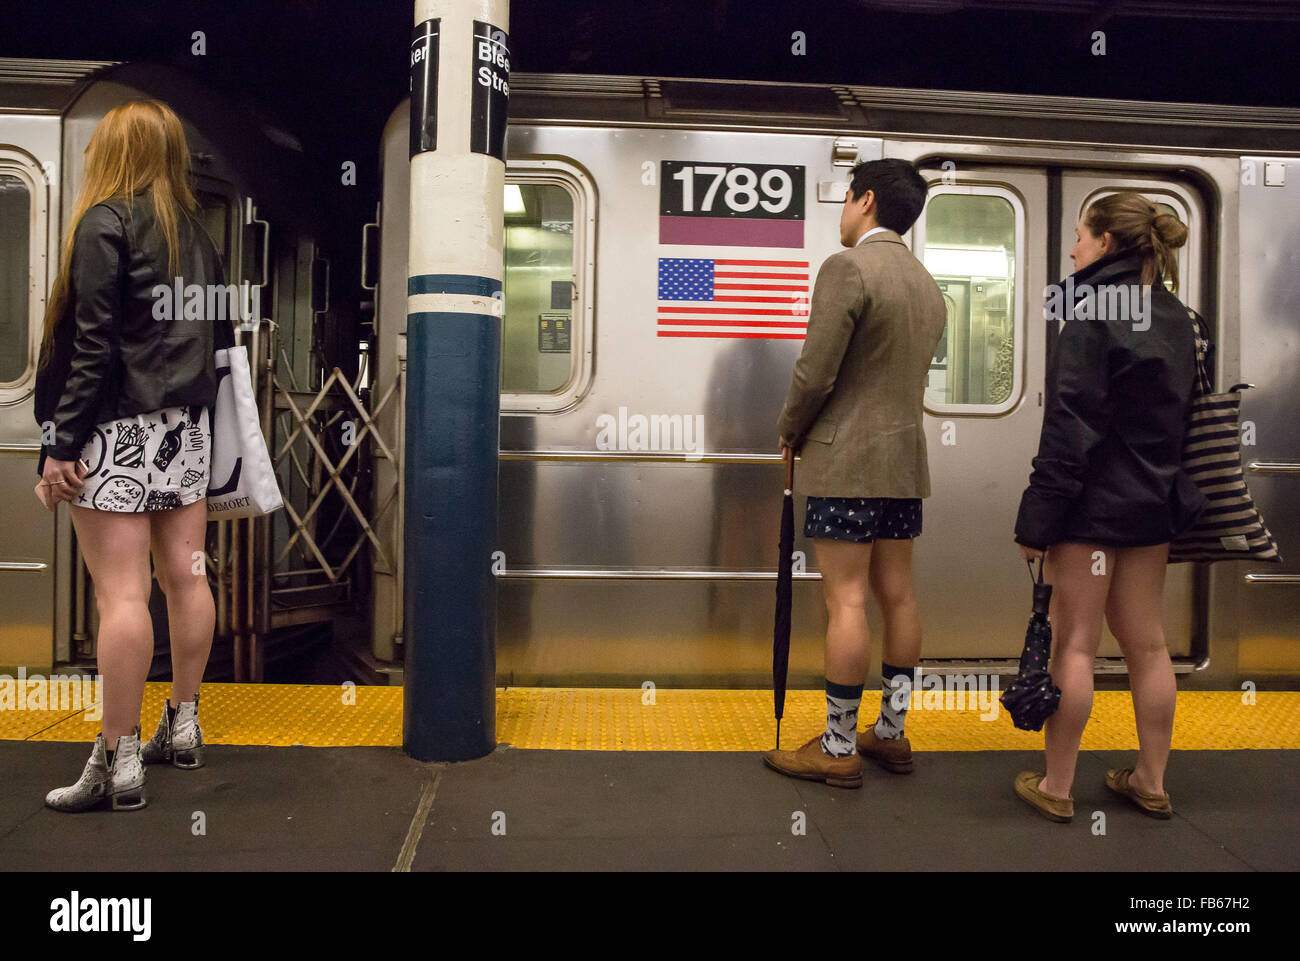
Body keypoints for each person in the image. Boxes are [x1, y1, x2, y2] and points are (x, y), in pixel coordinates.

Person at [36, 100, 233, 812]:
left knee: (120, 591)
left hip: (115, 428)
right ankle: (182, 722)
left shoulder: (104, 223)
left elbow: (92, 346)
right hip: (186, 430)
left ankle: (116, 758)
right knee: (185, 578)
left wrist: (60, 441)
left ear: (111, 153)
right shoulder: (198, 236)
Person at [1012, 191, 1203, 822]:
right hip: (1152, 507)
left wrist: (1037, 519)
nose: (1072, 249)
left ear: (1106, 245)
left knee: (1076, 644)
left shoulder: (1091, 315)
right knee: (1148, 645)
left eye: (1080, 237)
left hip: (1089, 513)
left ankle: (1058, 787)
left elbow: (1069, 429)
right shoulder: (1180, 317)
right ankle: (1151, 780)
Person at [763, 159, 946, 788]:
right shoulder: (927, 283)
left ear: (865, 200)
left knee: (844, 599)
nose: (841, 212)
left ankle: (837, 746)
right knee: (899, 596)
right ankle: (889, 734)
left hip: (847, 462)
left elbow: (817, 372)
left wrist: (790, 429)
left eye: (844, 199)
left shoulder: (847, 268)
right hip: (905, 462)